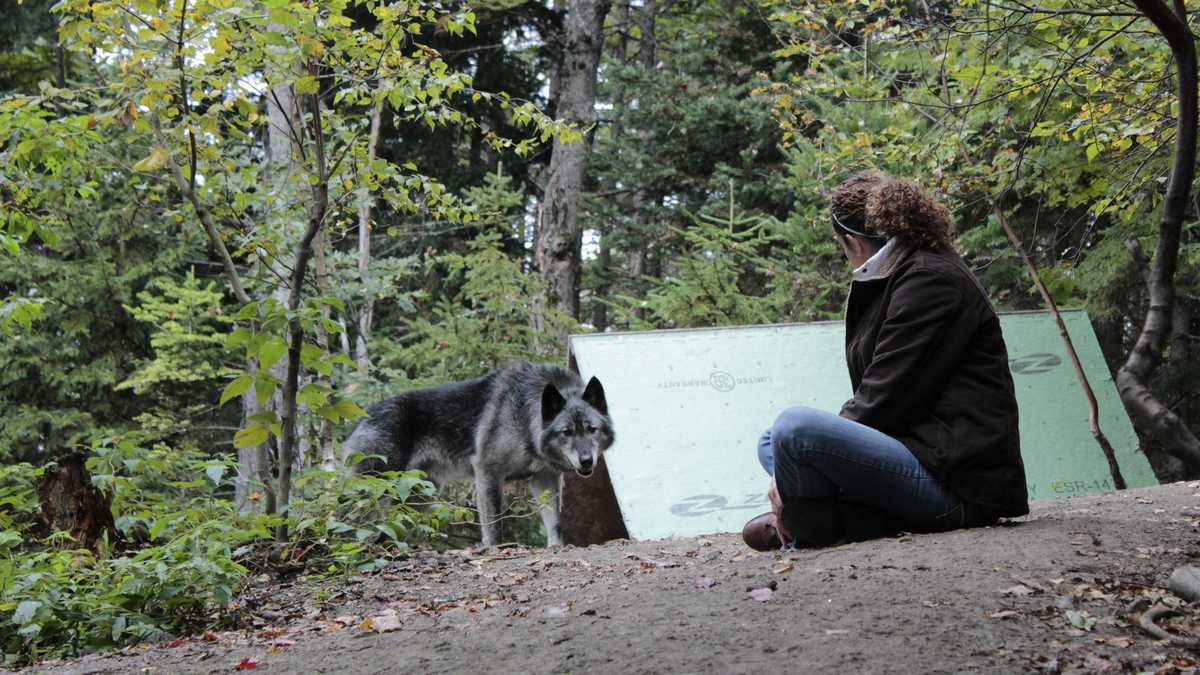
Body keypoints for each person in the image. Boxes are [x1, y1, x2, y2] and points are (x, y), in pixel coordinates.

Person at [742, 171, 1028, 551]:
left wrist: (788, 477)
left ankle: (808, 524)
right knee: (771, 440)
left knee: (794, 429)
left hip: (957, 484)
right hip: (921, 451)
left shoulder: (930, 280)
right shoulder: (905, 272)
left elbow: (885, 395)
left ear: (851, 241)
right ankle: (828, 518)